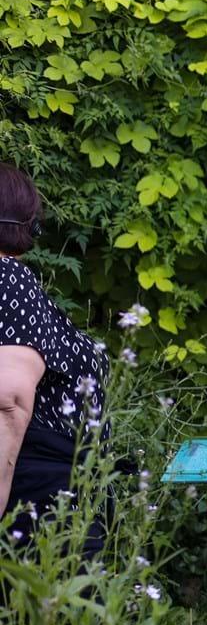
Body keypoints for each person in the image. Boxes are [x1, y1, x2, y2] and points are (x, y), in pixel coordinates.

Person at [0, 163, 109, 554]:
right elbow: (10, 403)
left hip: (42, 504)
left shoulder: (8, 279)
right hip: (35, 507)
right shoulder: (8, 277)